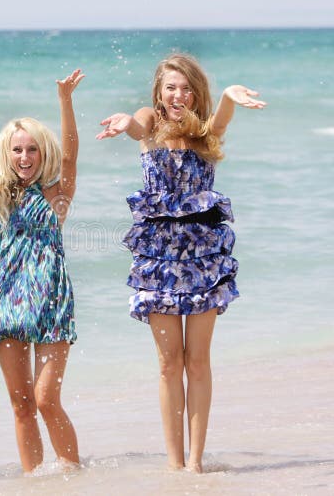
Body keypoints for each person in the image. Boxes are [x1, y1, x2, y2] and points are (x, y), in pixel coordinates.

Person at [97, 53, 266, 473]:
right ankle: (174, 464)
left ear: (197, 93)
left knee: (198, 361)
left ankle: (195, 463)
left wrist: (228, 95)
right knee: (169, 364)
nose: (178, 94)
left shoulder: (204, 134)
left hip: (203, 258)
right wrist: (124, 123)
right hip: (158, 258)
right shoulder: (149, 124)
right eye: (171, 87)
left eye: (187, 87)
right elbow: (138, 125)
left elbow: (222, 119)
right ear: (159, 91)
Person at [0, 69, 84, 474]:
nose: (25, 157)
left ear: (41, 154)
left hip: (50, 301)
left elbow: (70, 156)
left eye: (32, 150)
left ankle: (72, 474)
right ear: (7, 155)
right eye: (17, 150)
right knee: (22, 403)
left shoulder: (56, 195)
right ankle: (34, 480)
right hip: (5, 299)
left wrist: (65, 100)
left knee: (46, 398)